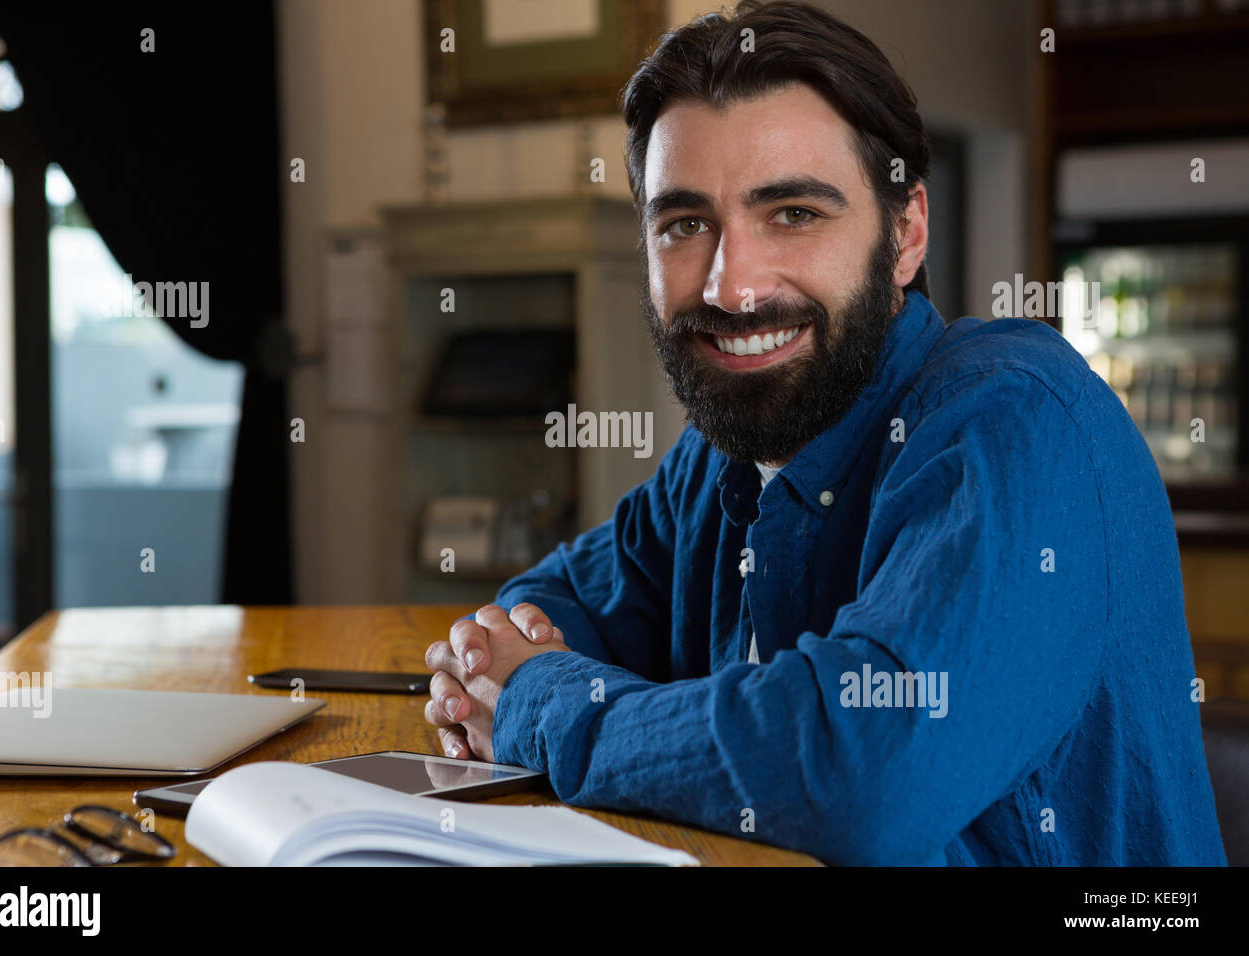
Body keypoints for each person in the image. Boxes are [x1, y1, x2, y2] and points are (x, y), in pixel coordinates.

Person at [422, 0, 1225, 865]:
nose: (732, 288)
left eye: (794, 213)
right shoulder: (721, 457)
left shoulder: (1019, 422)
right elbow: (547, 610)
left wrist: (543, 706)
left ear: (906, 234)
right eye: (685, 224)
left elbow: (867, 769)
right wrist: (497, 668)